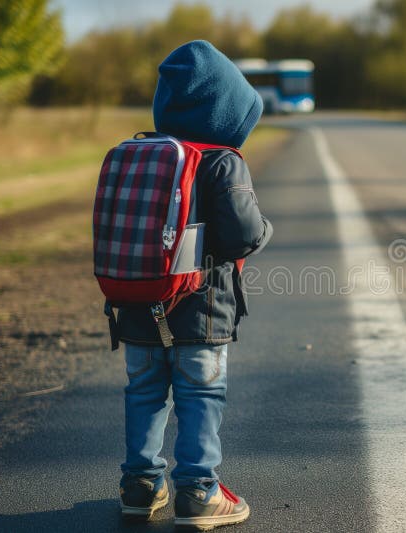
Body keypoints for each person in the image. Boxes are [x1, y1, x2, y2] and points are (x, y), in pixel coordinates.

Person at [115, 40, 272, 530]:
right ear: (224, 112)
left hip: (139, 306)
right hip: (202, 314)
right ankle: (199, 491)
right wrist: (267, 230)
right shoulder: (222, 161)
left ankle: (140, 485)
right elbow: (244, 235)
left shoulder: (141, 155)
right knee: (200, 394)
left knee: (143, 391)